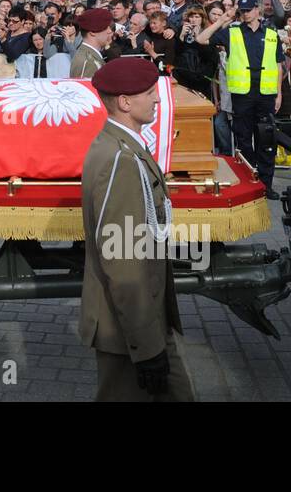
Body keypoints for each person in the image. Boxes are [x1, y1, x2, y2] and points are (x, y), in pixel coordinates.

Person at [79, 58, 193, 402]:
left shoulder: (122, 149)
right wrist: (147, 348)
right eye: (149, 93)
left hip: (138, 320)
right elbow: (124, 263)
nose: (157, 99)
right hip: (129, 327)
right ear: (125, 103)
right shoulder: (121, 161)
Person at [197, 0, 284, 200]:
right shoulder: (232, 31)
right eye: (242, 11)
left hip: (266, 94)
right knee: (244, 140)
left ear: (257, 10)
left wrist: (279, 93)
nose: (245, 14)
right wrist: (221, 20)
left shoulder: (271, 33)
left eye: (249, 10)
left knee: (266, 139)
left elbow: (279, 65)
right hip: (243, 94)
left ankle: (266, 184)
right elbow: (201, 39)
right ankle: (249, 181)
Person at [70, 8, 112, 79]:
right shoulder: (88, 62)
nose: (110, 31)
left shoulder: (90, 57)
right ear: (92, 32)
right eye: (105, 27)